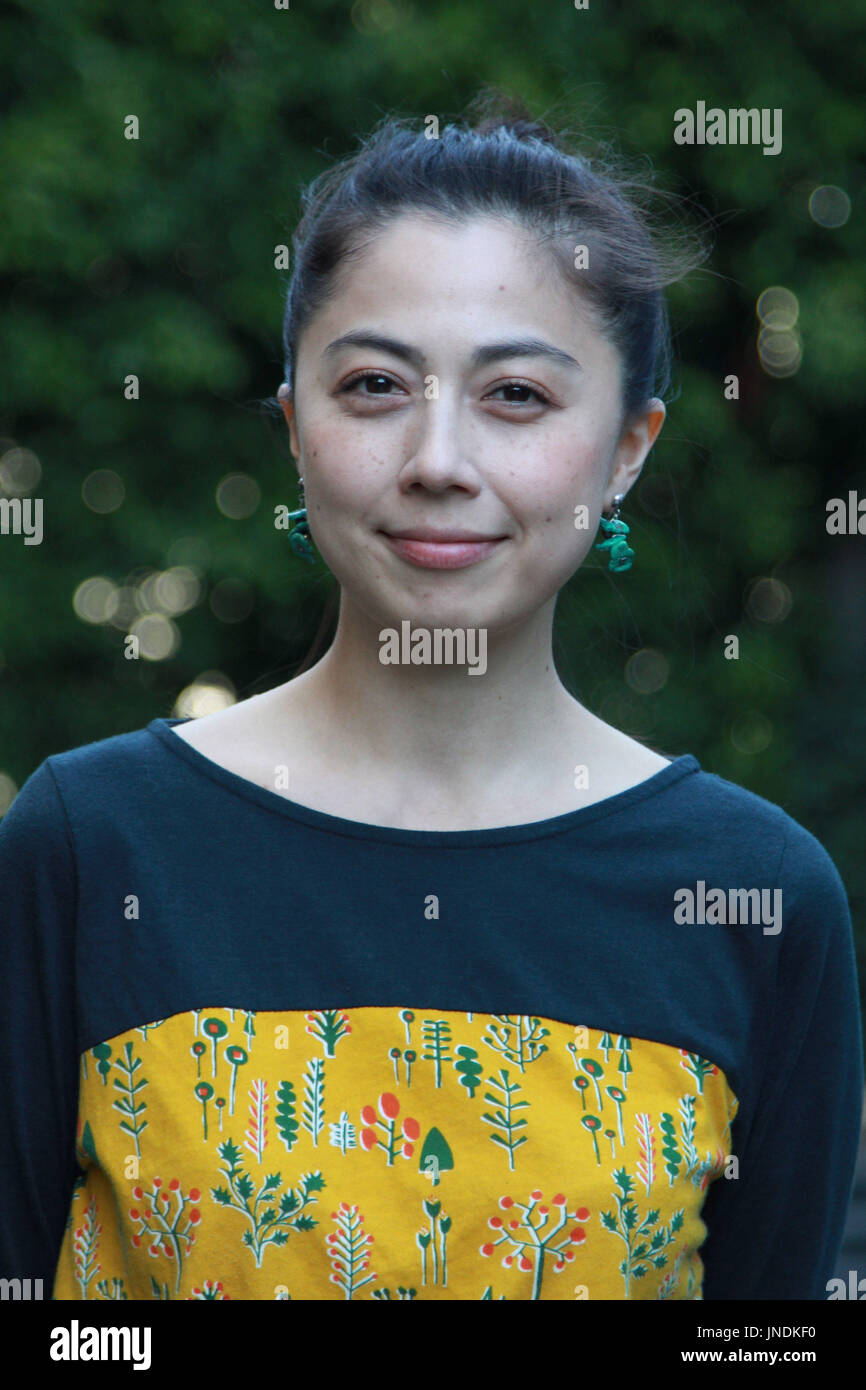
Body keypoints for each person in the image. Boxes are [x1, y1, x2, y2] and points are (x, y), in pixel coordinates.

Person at [1, 92, 862, 1302]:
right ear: (294, 425)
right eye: (372, 387)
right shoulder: (89, 847)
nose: (438, 461)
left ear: (627, 446)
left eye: (516, 395)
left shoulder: (754, 897)